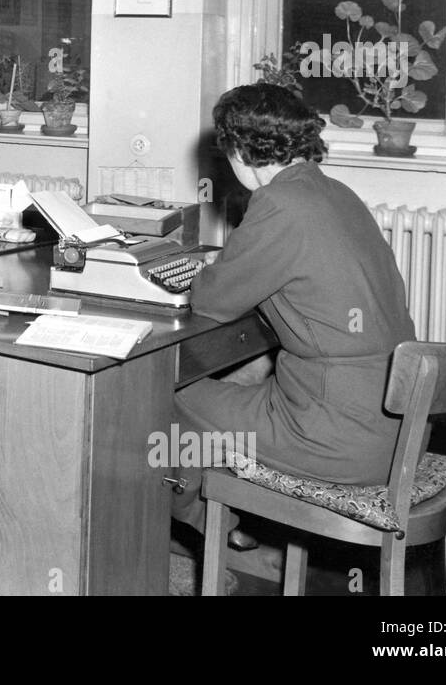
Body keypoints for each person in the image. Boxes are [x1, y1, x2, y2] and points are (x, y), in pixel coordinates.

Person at [170, 82, 416, 543]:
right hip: (390, 423)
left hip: (333, 435)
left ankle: (208, 528)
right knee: (232, 382)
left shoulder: (278, 202)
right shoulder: (335, 192)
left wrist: (211, 270)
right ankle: (223, 517)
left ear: (241, 150)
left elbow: (211, 302)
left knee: (166, 399)